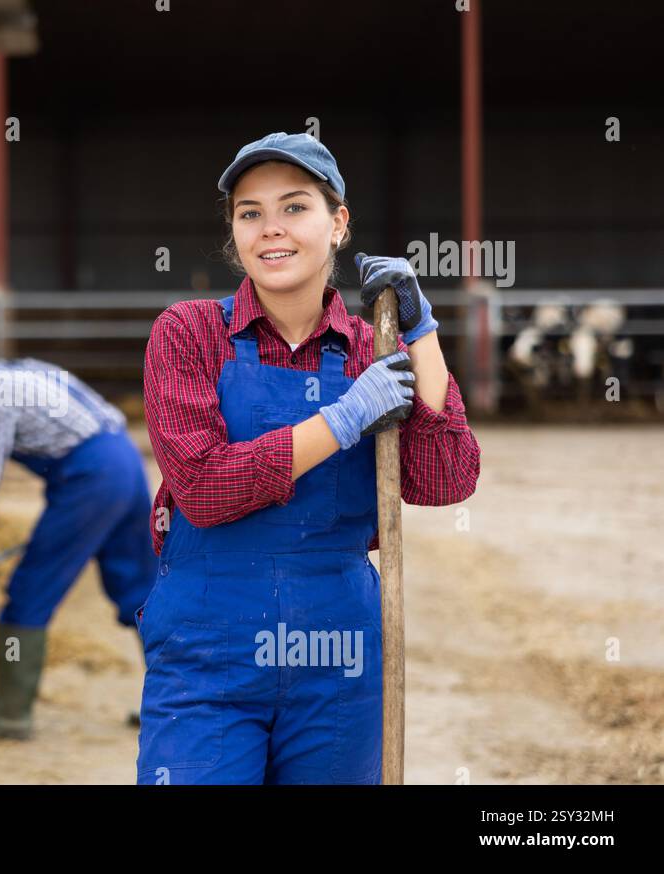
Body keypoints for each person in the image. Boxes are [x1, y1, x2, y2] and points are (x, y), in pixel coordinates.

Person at [136, 131, 481, 784]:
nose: (272, 229)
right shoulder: (188, 334)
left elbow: (445, 478)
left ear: (338, 221)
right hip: (207, 656)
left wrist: (421, 330)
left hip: (340, 661)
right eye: (250, 213)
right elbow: (204, 490)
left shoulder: (370, 349)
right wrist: (344, 419)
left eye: (295, 207)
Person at [0, 332, 157, 739]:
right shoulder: (16, 370)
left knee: (30, 590)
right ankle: (173, 704)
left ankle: (10, 713)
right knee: (139, 586)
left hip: (90, 478)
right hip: (122, 459)